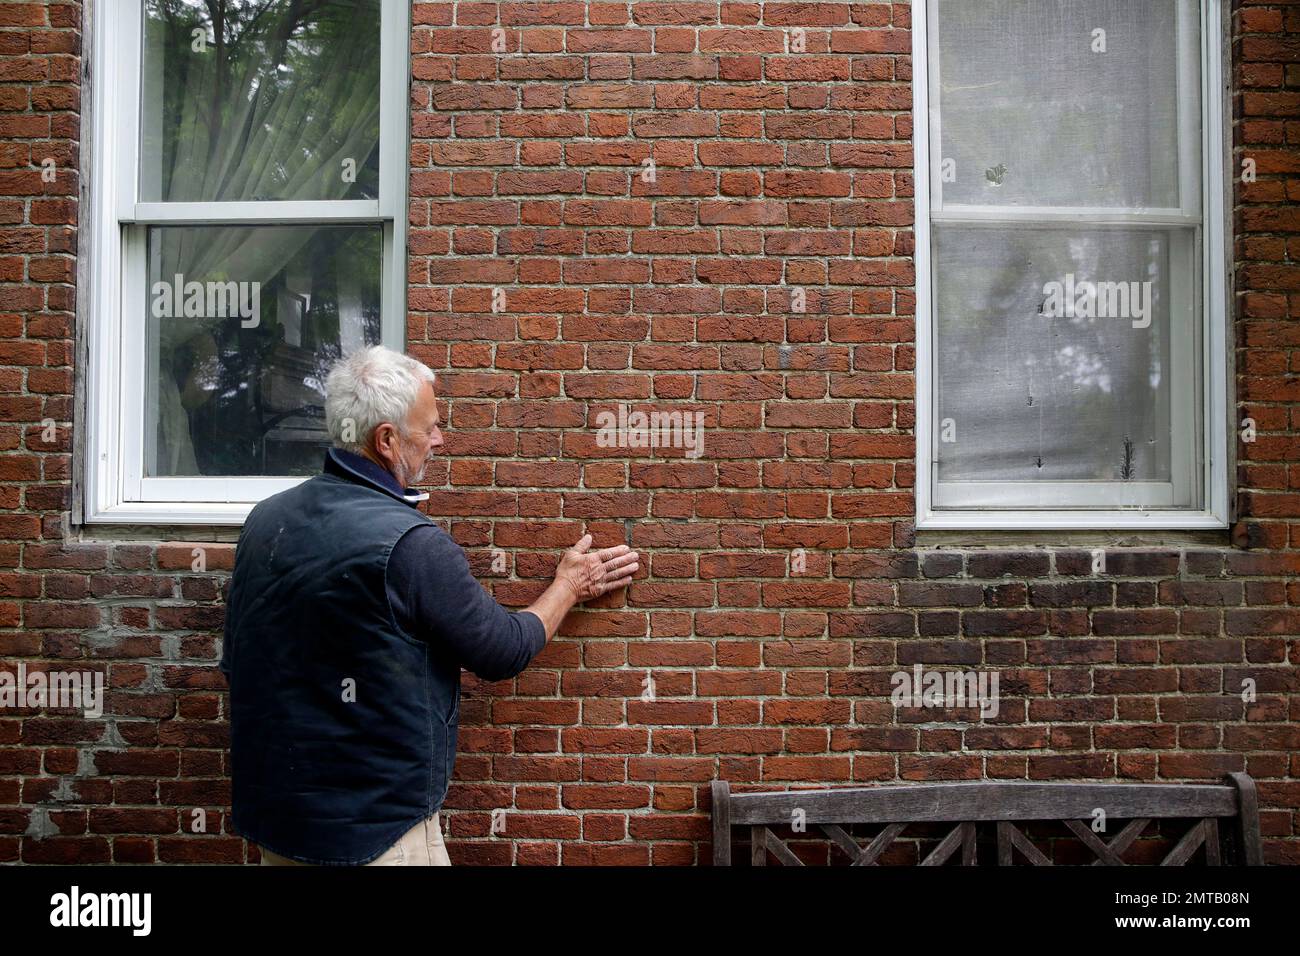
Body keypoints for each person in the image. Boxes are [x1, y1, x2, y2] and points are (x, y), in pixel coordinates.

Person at [220, 345, 639, 865]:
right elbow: (502, 650)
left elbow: (235, 662)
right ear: (387, 440)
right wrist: (568, 586)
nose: (439, 439)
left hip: (280, 830)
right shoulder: (410, 544)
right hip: (379, 838)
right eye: (430, 427)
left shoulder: (265, 520)